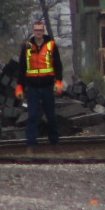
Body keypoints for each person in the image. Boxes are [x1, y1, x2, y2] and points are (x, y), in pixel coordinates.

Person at [14, 20, 63, 154]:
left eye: (40, 30)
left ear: (43, 31)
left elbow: (58, 66)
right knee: (32, 116)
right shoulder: (27, 47)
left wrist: (58, 81)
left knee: (51, 116)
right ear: (33, 31)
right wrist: (19, 86)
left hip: (47, 86)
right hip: (32, 87)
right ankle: (31, 145)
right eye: (36, 30)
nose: (38, 32)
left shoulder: (51, 45)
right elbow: (22, 68)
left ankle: (54, 144)